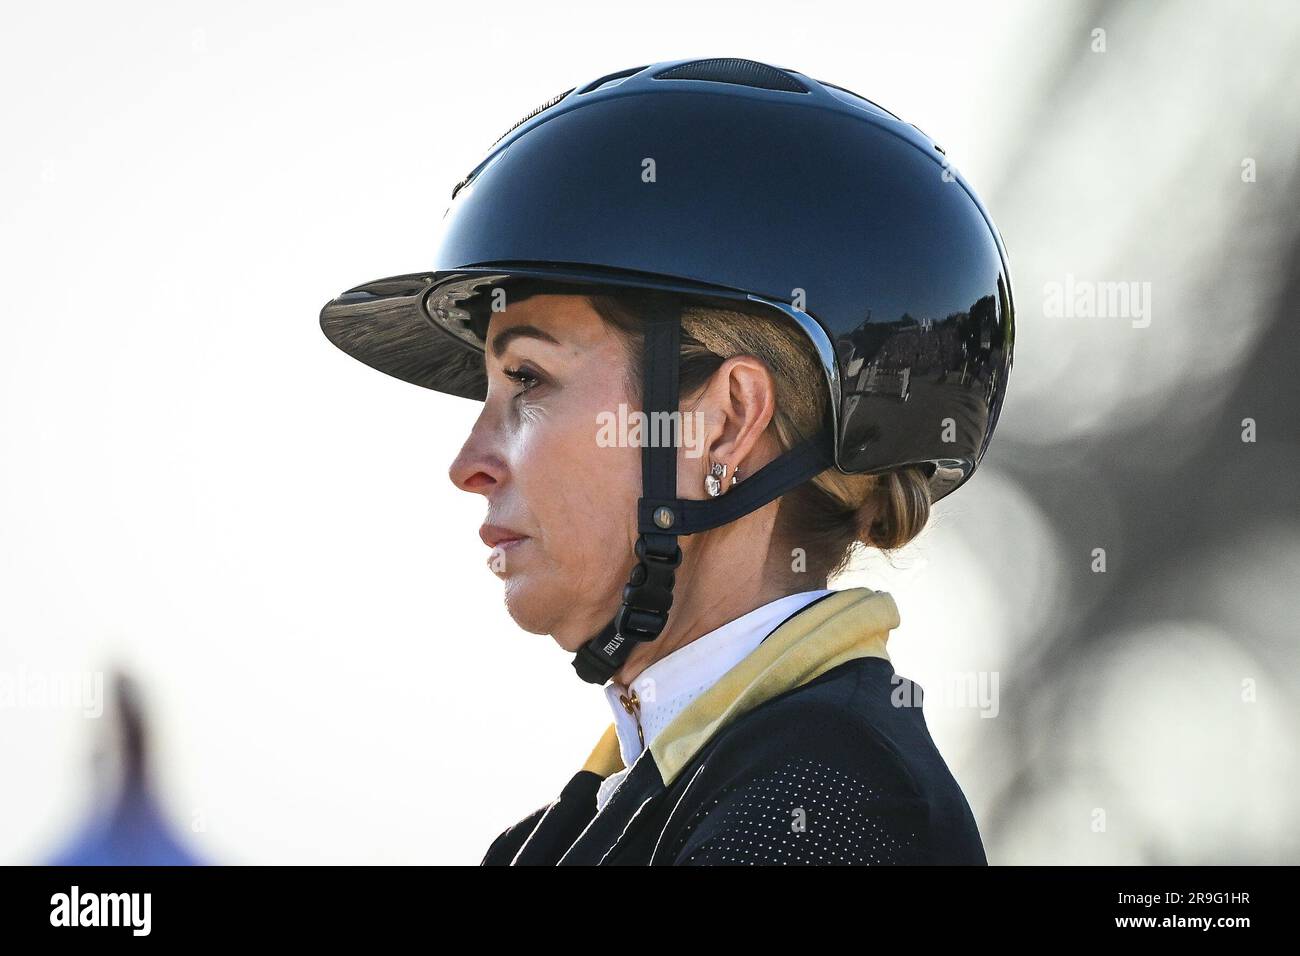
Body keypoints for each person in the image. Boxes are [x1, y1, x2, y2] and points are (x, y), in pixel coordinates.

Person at [319, 58, 1014, 865]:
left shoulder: (827, 811)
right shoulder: (569, 831)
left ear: (723, 425)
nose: (470, 463)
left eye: (528, 381)